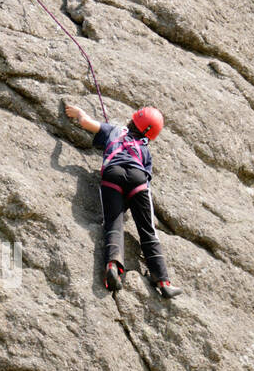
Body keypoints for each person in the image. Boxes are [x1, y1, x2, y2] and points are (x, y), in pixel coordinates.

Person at [65, 102, 183, 298]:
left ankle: (112, 266)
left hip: (113, 174)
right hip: (138, 177)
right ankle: (163, 281)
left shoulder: (116, 130)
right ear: (150, 135)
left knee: (113, 222)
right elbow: (146, 175)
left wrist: (79, 113)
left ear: (133, 119)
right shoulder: (145, 148)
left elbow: (86, 122)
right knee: (147, 229)